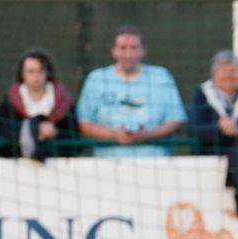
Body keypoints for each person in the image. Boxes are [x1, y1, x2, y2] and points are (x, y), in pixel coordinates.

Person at [76, 27, 186, 158]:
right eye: (123, 48)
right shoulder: (96, 79)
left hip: (154, 161)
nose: (128, 54)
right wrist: (114, 135)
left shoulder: (161, 77)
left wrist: (149, 134)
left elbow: (176, 120)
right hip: (108, 163)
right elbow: (84, 124)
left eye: (134, 48)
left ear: (142, 50)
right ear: (114, 51)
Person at [189, 52, 238, 221]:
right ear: (214, 75)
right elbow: (194, 128)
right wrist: (221, 129)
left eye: (234, 71)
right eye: (224, 71)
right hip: (211, 154)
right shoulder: (202, 94)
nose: (229, 76)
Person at [0, 48, 76, 160]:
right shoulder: (10, 101)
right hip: (20, 167)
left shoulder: (64, 100)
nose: (36, 76)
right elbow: (2, 139)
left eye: (40, 70)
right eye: (31, 71)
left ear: (47, 72)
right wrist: (35, 129)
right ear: (22, 74)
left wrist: (55, 132)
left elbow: (75, 140)